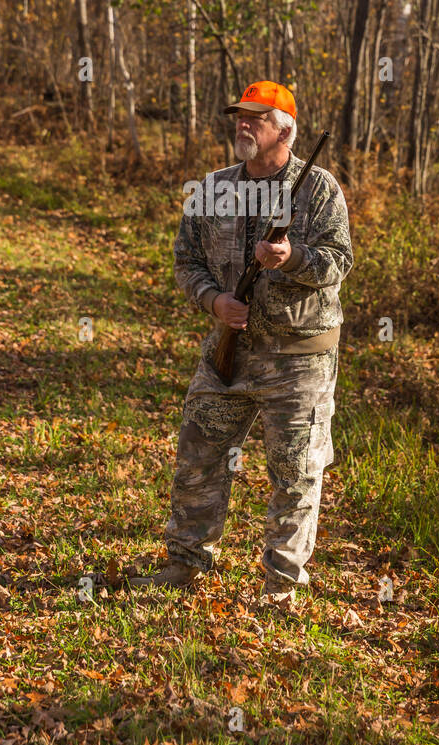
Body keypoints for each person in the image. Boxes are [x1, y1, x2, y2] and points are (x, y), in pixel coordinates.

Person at [131, 81, 353, 612]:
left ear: (285, 130)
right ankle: (184, 563)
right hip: (229, 352)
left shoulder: (318, 188)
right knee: (198, 455)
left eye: (257, 117)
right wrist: (214, 303)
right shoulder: (212, 188)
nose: (243, 124)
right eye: (240, 115)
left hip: (299, 358)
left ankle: (281, 586)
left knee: (295, 473)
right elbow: (187, 261)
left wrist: (293, 258)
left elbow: (339, 262)